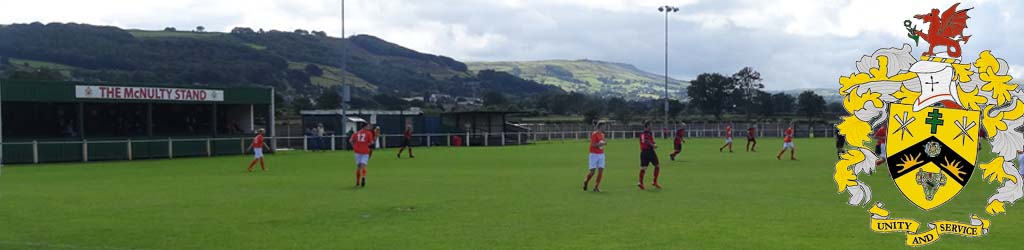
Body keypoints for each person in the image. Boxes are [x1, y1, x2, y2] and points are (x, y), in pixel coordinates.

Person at [350, 123, 376, 187]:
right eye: (368, 126)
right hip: (365, 151)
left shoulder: (356, 133)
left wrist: (354, 147)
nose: (369, 127)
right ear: (364, 127)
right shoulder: (368, 133)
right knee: (363, 166)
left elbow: (350, 140)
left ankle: (357, 182)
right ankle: (363, 177)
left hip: (357, 151)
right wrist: (371, 142)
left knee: (358, 167)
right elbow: (371, 142)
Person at [584, 122, 607, 192]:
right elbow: (593, 145)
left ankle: (596, 187)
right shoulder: (594, 134)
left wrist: (605, 143)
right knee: (592, 172)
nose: (605, 127)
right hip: (593, 154)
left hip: (601, 154)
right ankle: (586, 181)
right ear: (600, 126)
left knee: (601, 171)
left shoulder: (603, 134)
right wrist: (600, 144)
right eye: (604, 126)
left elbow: (603, 143)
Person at [638, 121, 661, 190]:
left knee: (657, 165)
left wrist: (654, 143)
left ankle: (654, 182)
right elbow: (645, 141)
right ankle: (641, 182)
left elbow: (651, 140)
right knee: (644, 168)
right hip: (646, 152)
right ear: (647, 126)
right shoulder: (644, 133)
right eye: (651, 125)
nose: (652, 126)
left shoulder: (649, 133)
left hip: (650, 152)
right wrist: (653, 145)